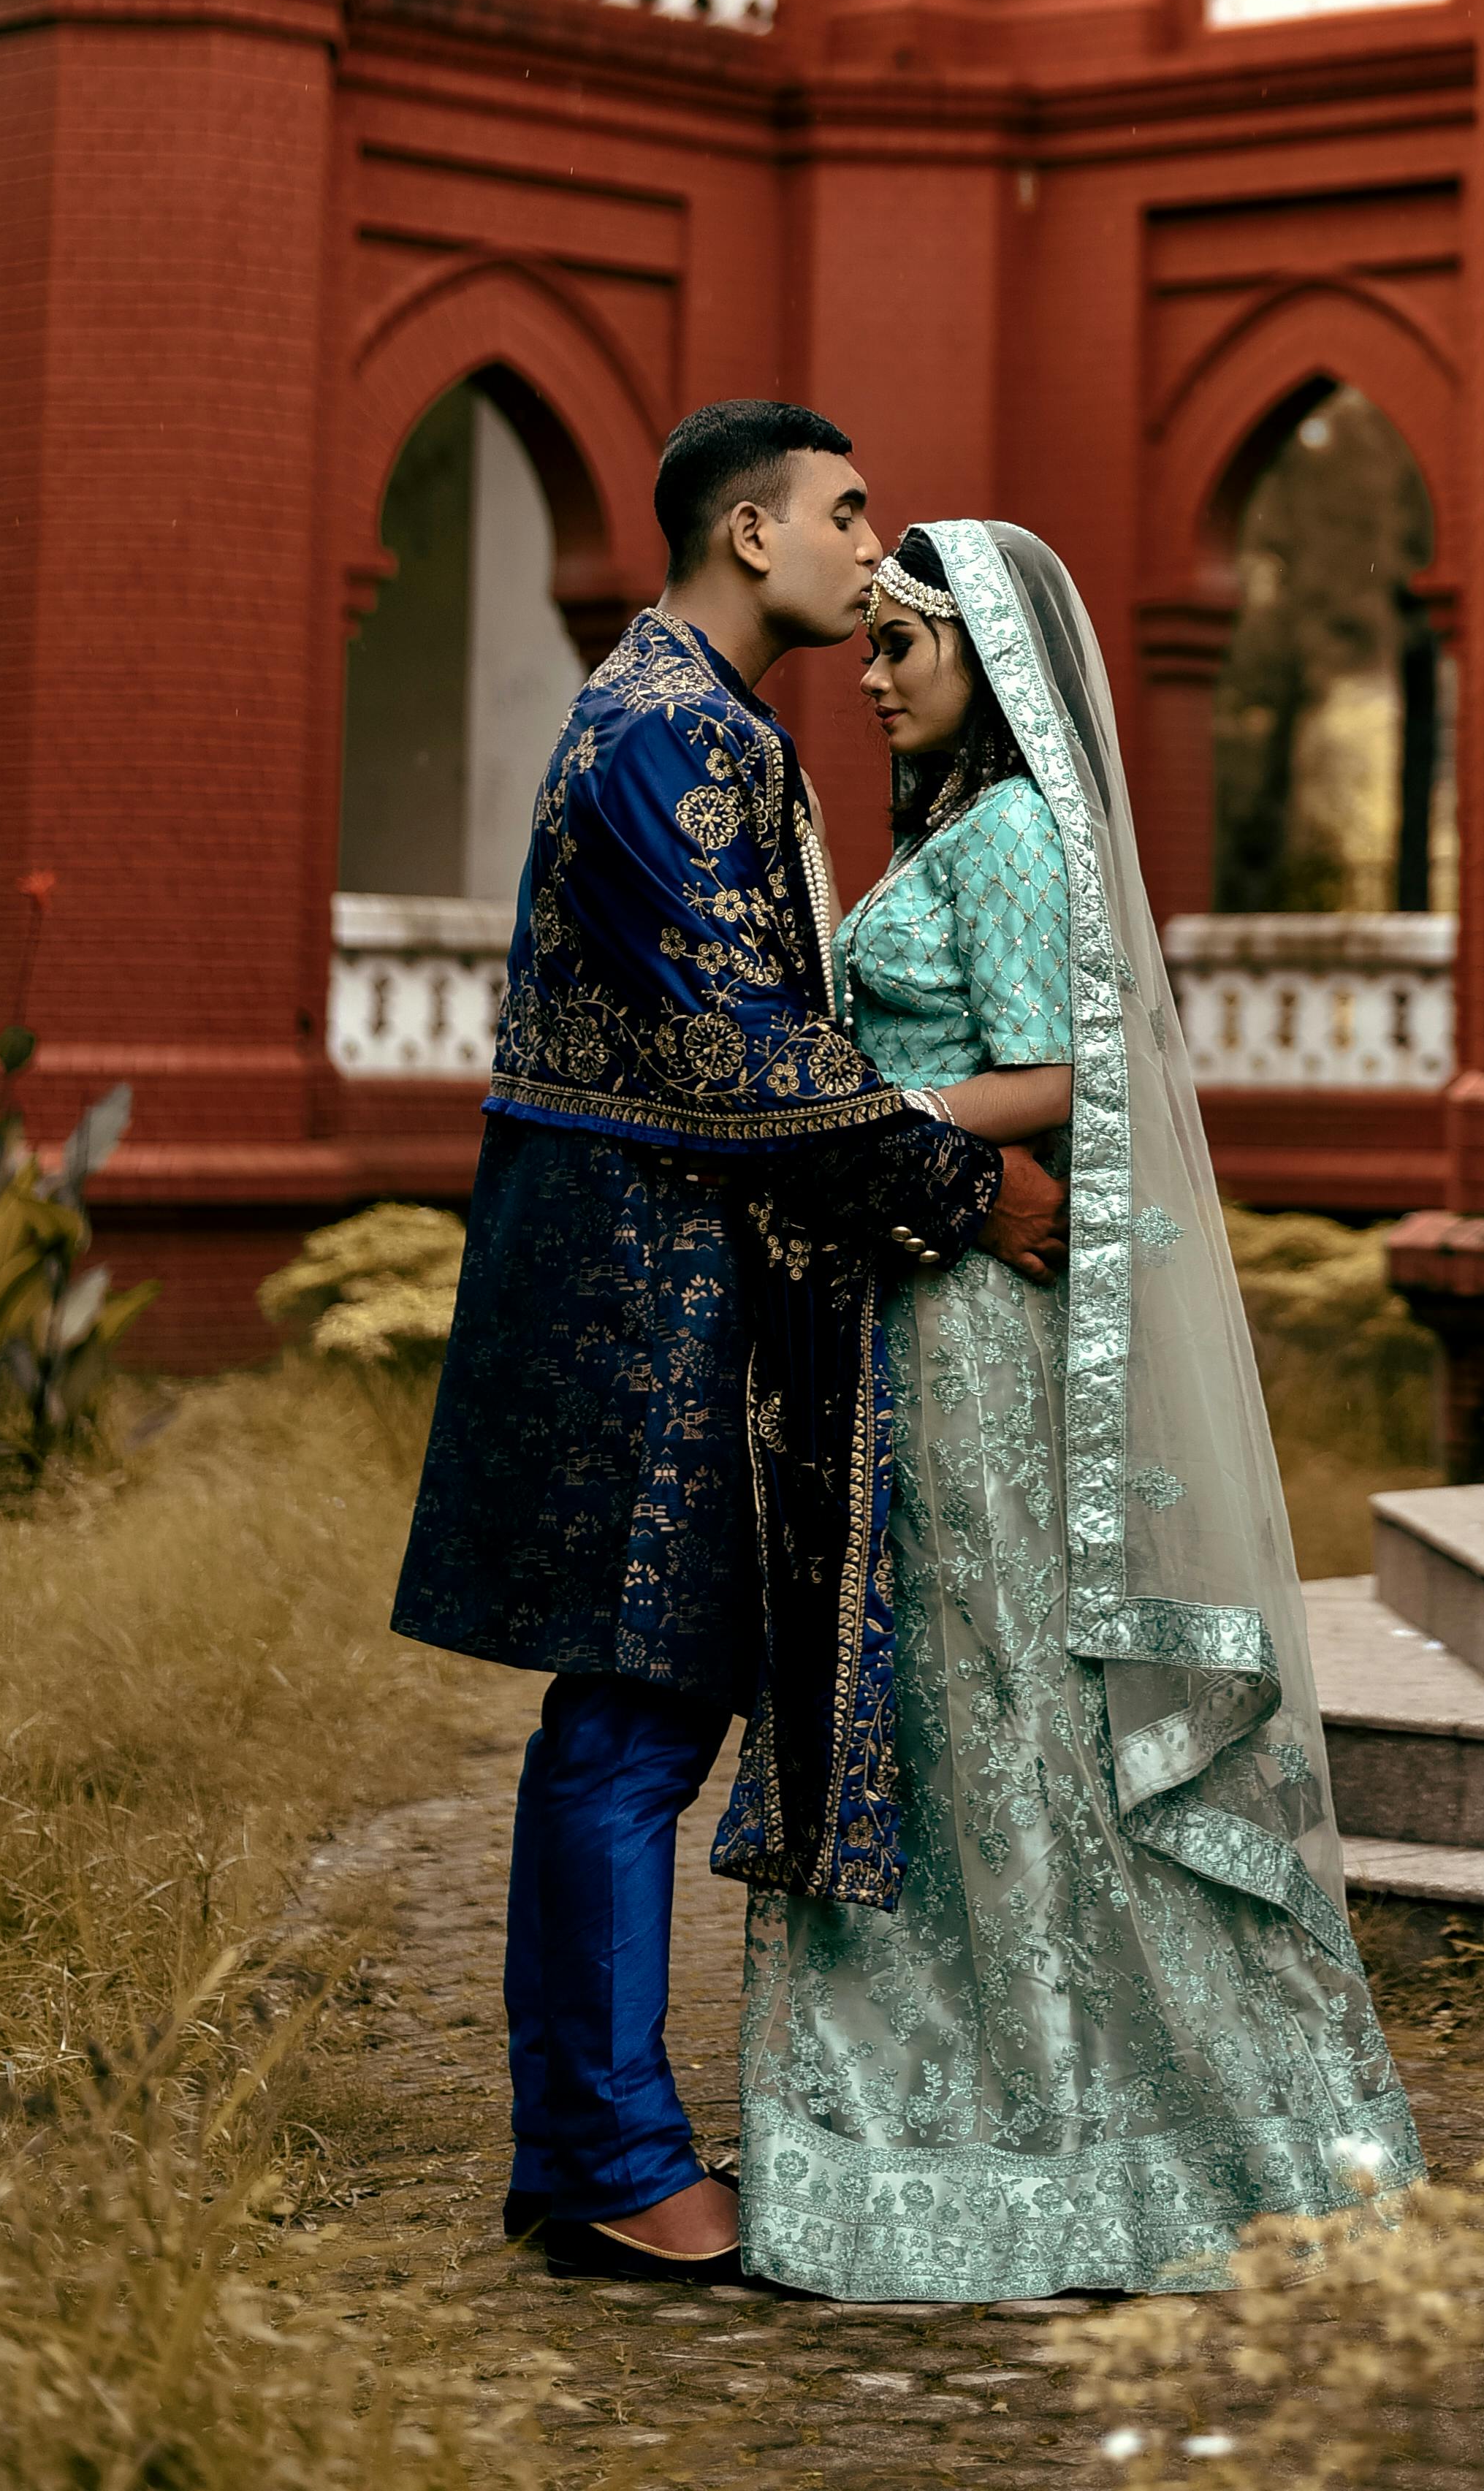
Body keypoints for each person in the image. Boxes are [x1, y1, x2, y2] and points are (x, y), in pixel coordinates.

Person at [392, 405, 1066, 2289]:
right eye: (849, 515)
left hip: (676, 1267)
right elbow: (743, 1057)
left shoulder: (696, 714)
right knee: (630, 1715)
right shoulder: (671, 730)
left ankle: (582, 2140)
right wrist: (966, 1185)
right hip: (640, 1287)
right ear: (751, 533)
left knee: (634, 1710)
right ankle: (609, 2155)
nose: (876, 548)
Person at [734, 516, 1423, 2303]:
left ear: (993, 662)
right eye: (867, 638)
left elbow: (1067, 1067)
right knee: (958, 1706)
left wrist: (866, 1130)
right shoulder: (955, 829)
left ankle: (1118, 2120)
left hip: (972, 1327)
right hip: (919, 1301)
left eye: (903, 643)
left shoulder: (1023, 832)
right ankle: (986, 2104)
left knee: (1006, 1693)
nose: (870, 671)